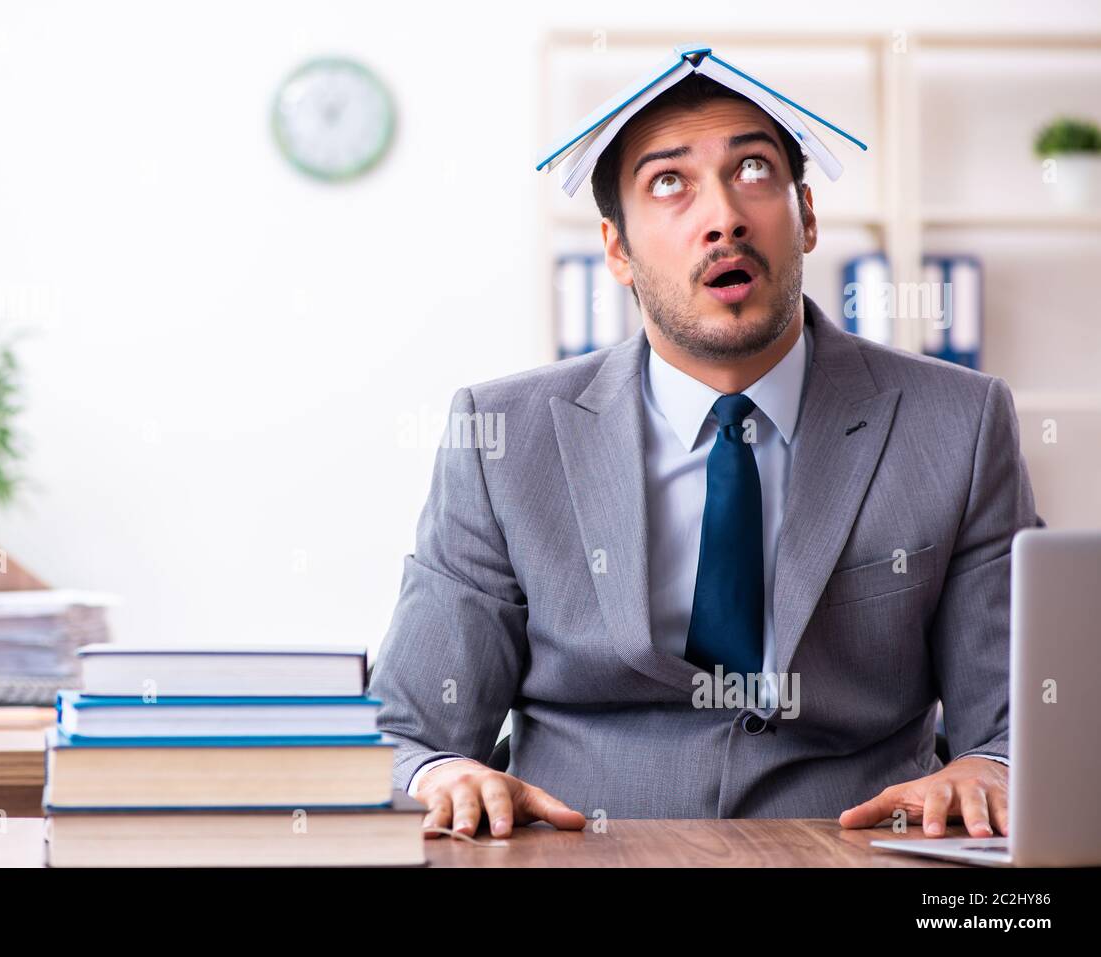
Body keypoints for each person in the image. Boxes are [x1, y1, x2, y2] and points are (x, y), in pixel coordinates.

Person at [369, 73, 1041, 841]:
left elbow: (1020, 722)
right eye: (669, 183)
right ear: (617, 249)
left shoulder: (960, 422)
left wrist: (992, 766)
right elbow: (407, 731)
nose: (724, 217)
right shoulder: (501, 436)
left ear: (808, 215)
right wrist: (445, 774)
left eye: (754, 171)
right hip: (580, 858)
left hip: (854, 855)